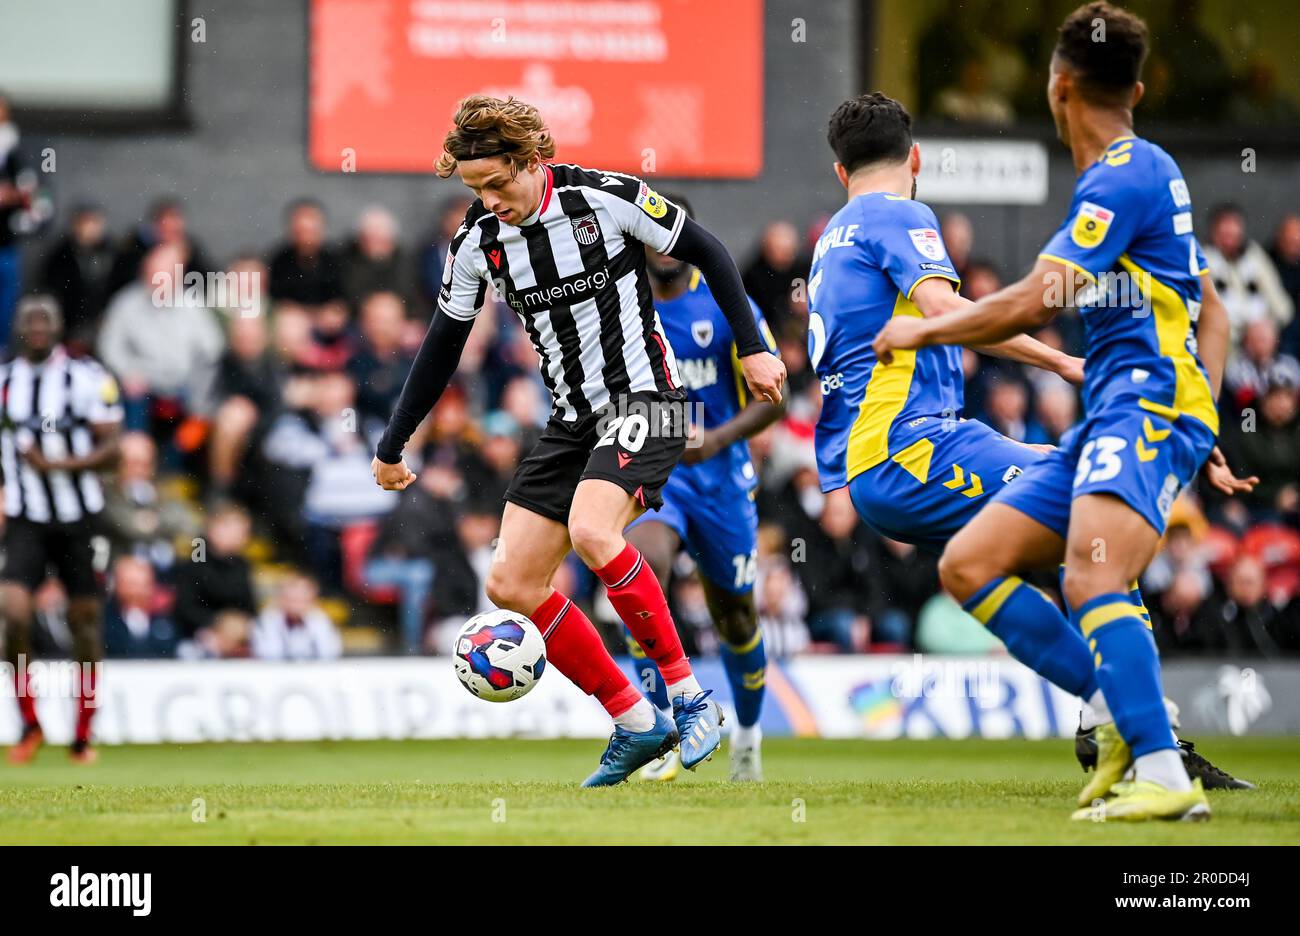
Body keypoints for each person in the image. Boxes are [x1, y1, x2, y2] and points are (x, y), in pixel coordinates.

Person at [872, 2, 1258, 820]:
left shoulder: (1124, 175)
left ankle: (1161, 771)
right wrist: (1211, 419)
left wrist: (925, 326)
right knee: (968, 565)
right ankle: (1124, 722)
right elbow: (1214, 313)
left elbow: (1032, 301)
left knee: (1090, 572)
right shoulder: (1142, 175)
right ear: (1139, 87)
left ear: (1056, 87)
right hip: (1116, 416)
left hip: (1144, 411)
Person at [371, 95, 786, 786]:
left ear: (532, 161)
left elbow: (708, 250)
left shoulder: (606, 197)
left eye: (497, 183)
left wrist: (751, 349)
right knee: (510, 582)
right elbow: (443, 346)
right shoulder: (478, 243)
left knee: (595, 533)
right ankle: (635, 721)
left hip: (651, 404)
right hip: (573, 421)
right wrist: (393, 443)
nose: (487, 200)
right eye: (474, 189)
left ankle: (690, 700)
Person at [619, 194, 783, 783]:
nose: (662, 246)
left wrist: (714, 440)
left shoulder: (723, 301)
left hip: (719, 475)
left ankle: (747, 739)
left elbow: (773, 395)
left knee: (735, 618)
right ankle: (660, 731)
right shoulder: (623, 304)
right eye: (650, 235)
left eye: (672, 235)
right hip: (656, 472)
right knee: (642, 568)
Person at [1, 296, 124, 764]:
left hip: (80, 518)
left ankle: (82, 734)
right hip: (27, 518)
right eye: (29, 320)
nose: (36, 328)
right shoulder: (5, 383)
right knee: (12, 612)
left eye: (45, 321)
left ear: (57, 328)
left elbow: (114, 449)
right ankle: (29, 723)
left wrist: (59, 465)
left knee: (85, 622)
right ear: (17, 327)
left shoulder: (87, 377)